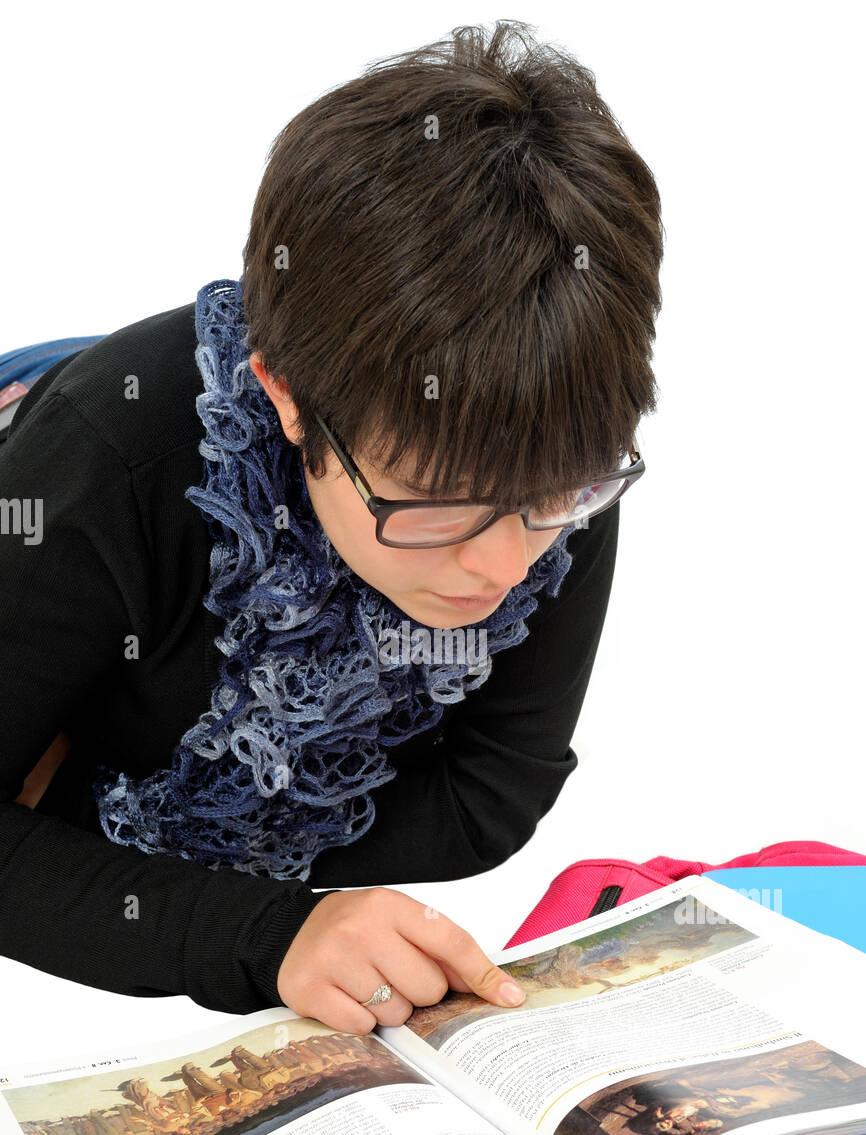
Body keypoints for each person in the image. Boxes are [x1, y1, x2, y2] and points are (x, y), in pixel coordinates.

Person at [0, 21, 663, 1030]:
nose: (498, 567)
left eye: (552, 497)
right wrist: (267, 932)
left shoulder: (543, 459)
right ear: (286, 398)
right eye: (430, 500)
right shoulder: (101, 464)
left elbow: (490, 794)